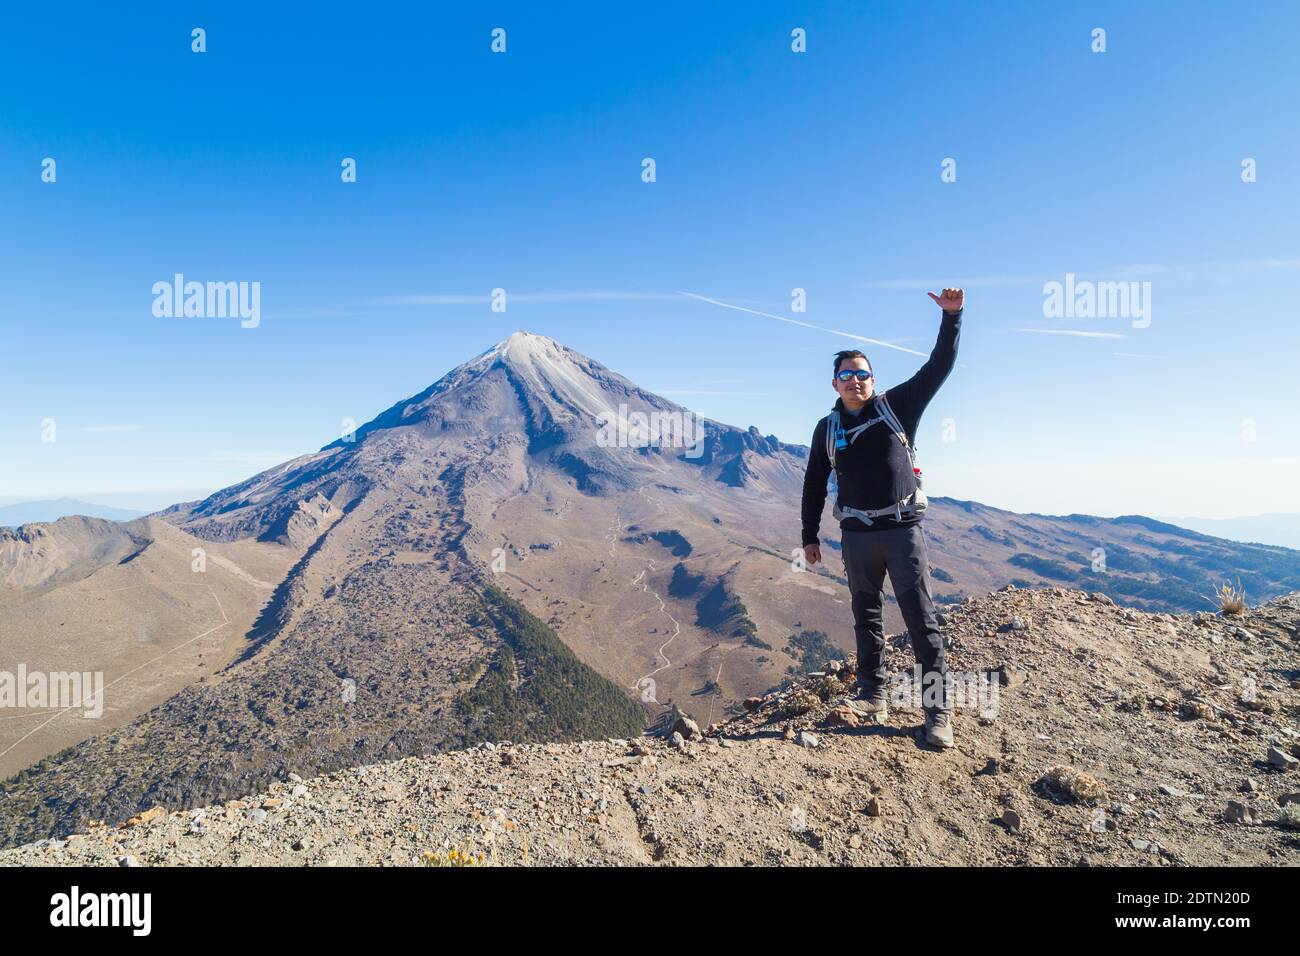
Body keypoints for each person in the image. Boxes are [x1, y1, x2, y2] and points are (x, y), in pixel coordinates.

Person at [800, 288, 964, 748]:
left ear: (873, 379)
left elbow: (939, 367)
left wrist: (952, 318)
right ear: (834, 383)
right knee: (865, 614)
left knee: (921, 621)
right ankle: (873, 693)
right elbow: (814, 481)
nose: (856, 380)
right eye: (847, 374)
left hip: (901, 531)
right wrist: (809, 535)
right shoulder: (827, 428)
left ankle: (937, 714)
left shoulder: (899, 407)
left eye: (863, 373)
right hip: (856, 535)